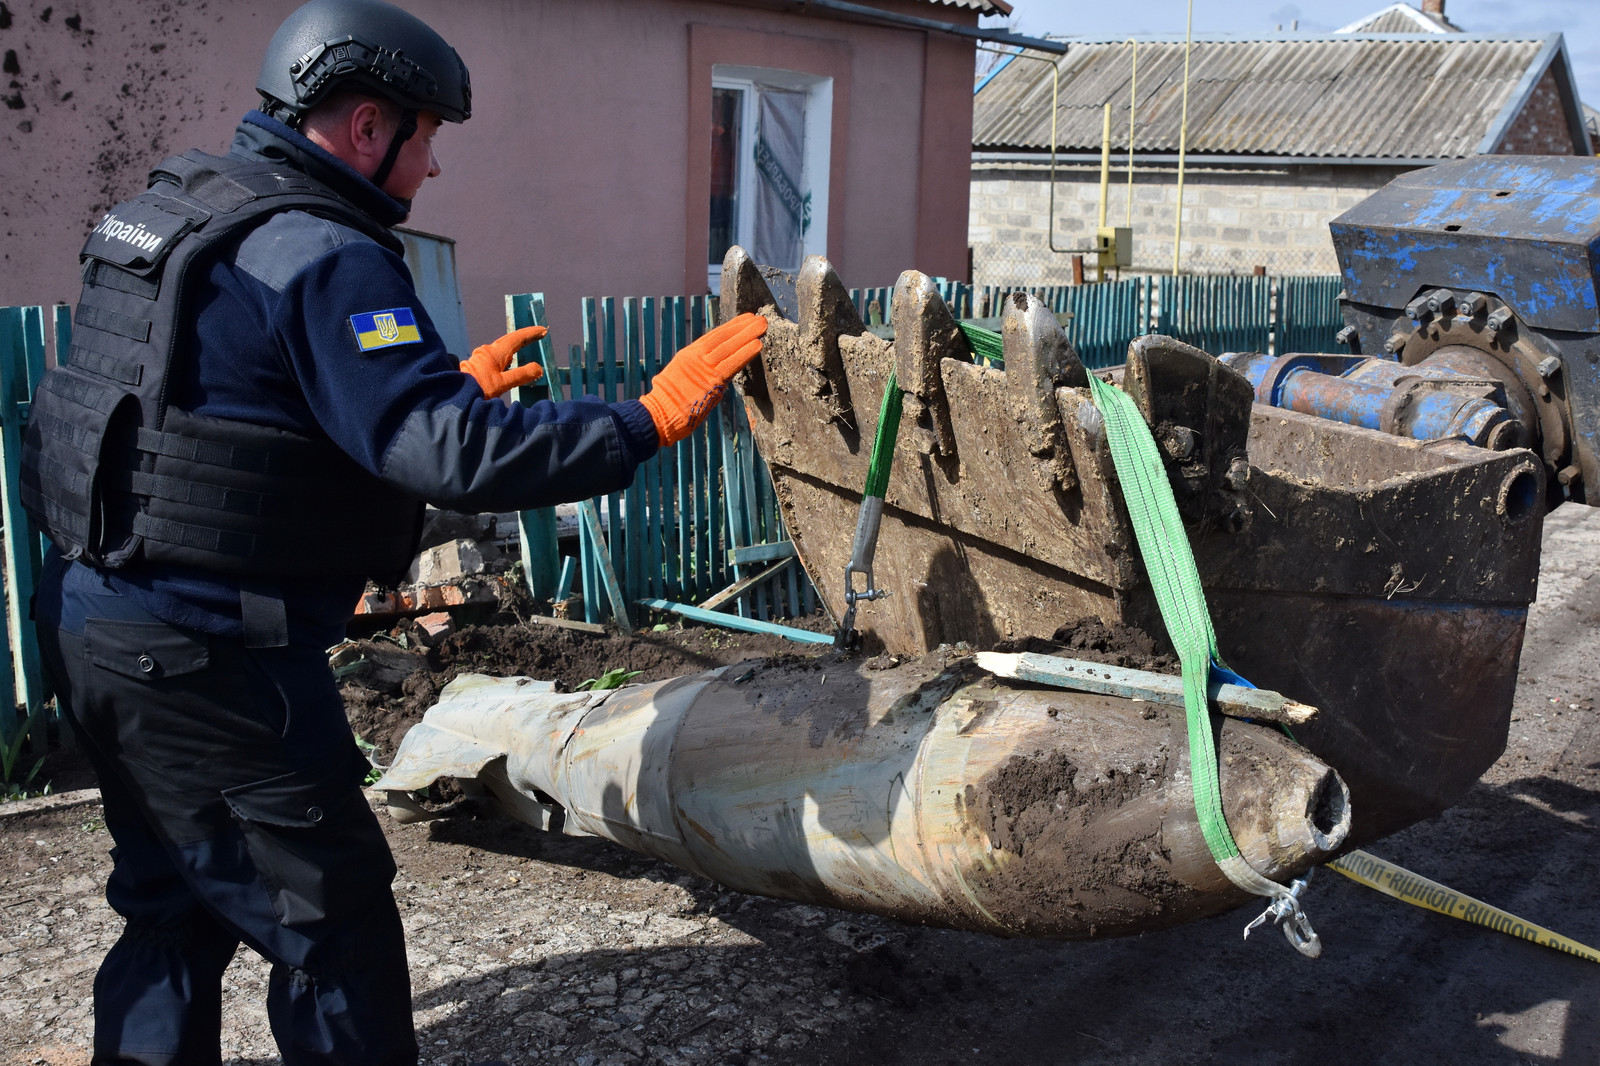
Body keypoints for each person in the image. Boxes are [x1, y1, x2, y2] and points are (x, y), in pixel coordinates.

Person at [21, 1, 766, 1062]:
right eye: (427, 136)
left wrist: (422, 387)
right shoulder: (325, 252)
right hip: (209, 655)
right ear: (368, 126)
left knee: (173, 901)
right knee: (331, 927)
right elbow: (452, 454)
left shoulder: (180, 211)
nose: (434, 164)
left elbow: (218, 404)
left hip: (94, 619)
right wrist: (643, 420)